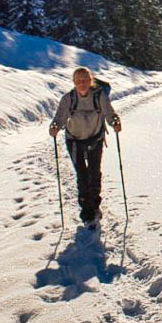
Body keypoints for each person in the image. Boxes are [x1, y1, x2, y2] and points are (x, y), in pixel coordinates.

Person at [49, 67, 121, 230]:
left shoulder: (99, 96)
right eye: (78, 80)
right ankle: (87, 212)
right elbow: (59, 118)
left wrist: (115, 123)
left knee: (94, 173)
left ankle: (95, 206)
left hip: (95, 138)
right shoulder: (69, 99)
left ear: (90, 81)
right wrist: (54, 127)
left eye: (85, 80)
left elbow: (110, 113)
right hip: (75, 141)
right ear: (74, 82)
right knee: (82, 176)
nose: (82, 83)